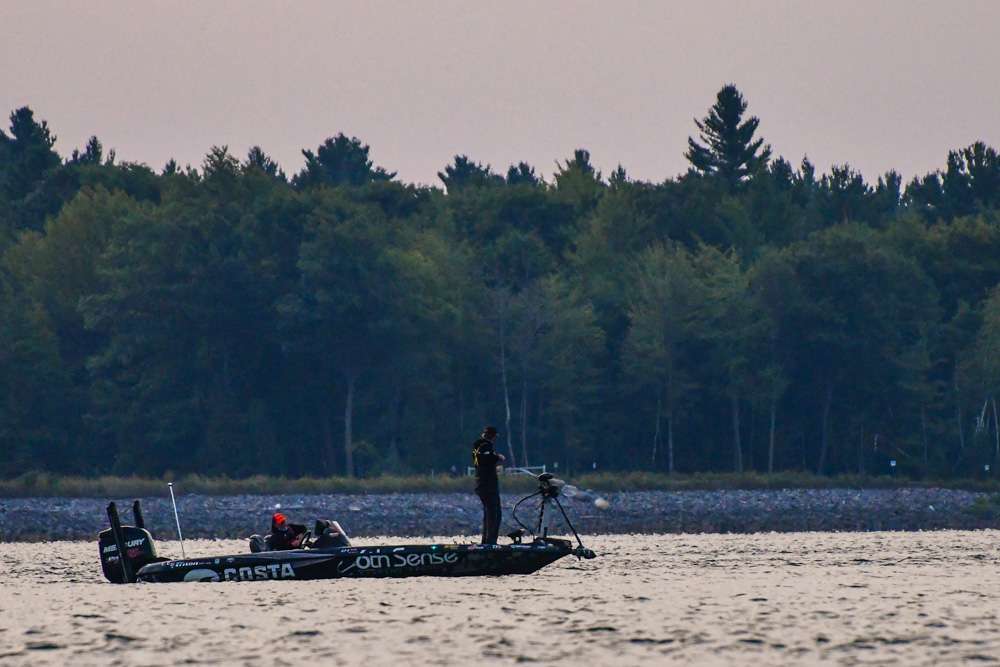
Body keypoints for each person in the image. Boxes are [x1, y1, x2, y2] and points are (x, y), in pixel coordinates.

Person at [472, 425, 505, 545]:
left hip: (482, 483)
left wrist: (494, 467)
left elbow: (482, 463)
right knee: (494, 513)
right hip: (488, 486)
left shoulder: (477, 446)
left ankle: (486, 541)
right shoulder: (485, 445)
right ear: (492, 436)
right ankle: (490, 543)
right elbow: (486, 458)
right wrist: (498, 457)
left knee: (489, 512)